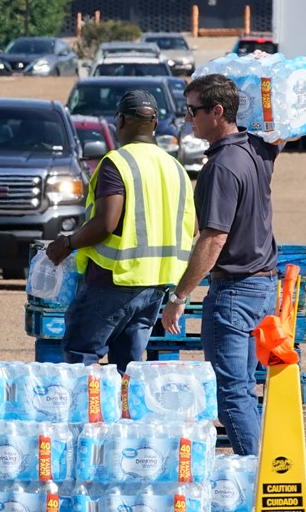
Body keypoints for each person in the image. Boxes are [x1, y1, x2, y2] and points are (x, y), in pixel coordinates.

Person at [161, 73, 280, 456]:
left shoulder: (221, 167)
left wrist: (180, 296)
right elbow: (283, 129)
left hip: (234, 293)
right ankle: (260, 471)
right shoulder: (257, 149)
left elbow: (213, 239)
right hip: (262, 288)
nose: (187, 118)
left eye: (193, 110)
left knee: (231, 393)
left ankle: (255, 481)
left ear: (217, 111)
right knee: (242, 388)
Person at [46, 89, 195, 374]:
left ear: (121, 121)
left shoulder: (117, 163)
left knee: (82, 357)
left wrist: (66, 243)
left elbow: (105, 224)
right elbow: (193, 227)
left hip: (114, 278)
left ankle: (87, 418)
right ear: (154, 125)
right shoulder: (176, 168)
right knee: (128, 367)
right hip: (155, 285)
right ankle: (122, 418)